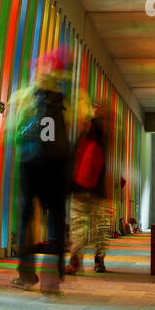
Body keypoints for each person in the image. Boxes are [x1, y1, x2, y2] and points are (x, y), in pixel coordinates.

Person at [9, 48, 80, 294]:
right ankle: (52, 276)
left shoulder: (23, 97)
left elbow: (16, 133)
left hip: (31, 164)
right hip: (58, 166)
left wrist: (27, 138)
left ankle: (26, 274)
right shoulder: (69, 100)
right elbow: (76, 122)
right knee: (56, 218)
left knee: (27, 214)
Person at [67, 101, 110, 274]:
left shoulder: (90, 133)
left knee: (81, 225)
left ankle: (78, 260)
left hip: (84, 188)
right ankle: (97, 260)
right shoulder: (101, 134)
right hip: (95, 190)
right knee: (98, 227)